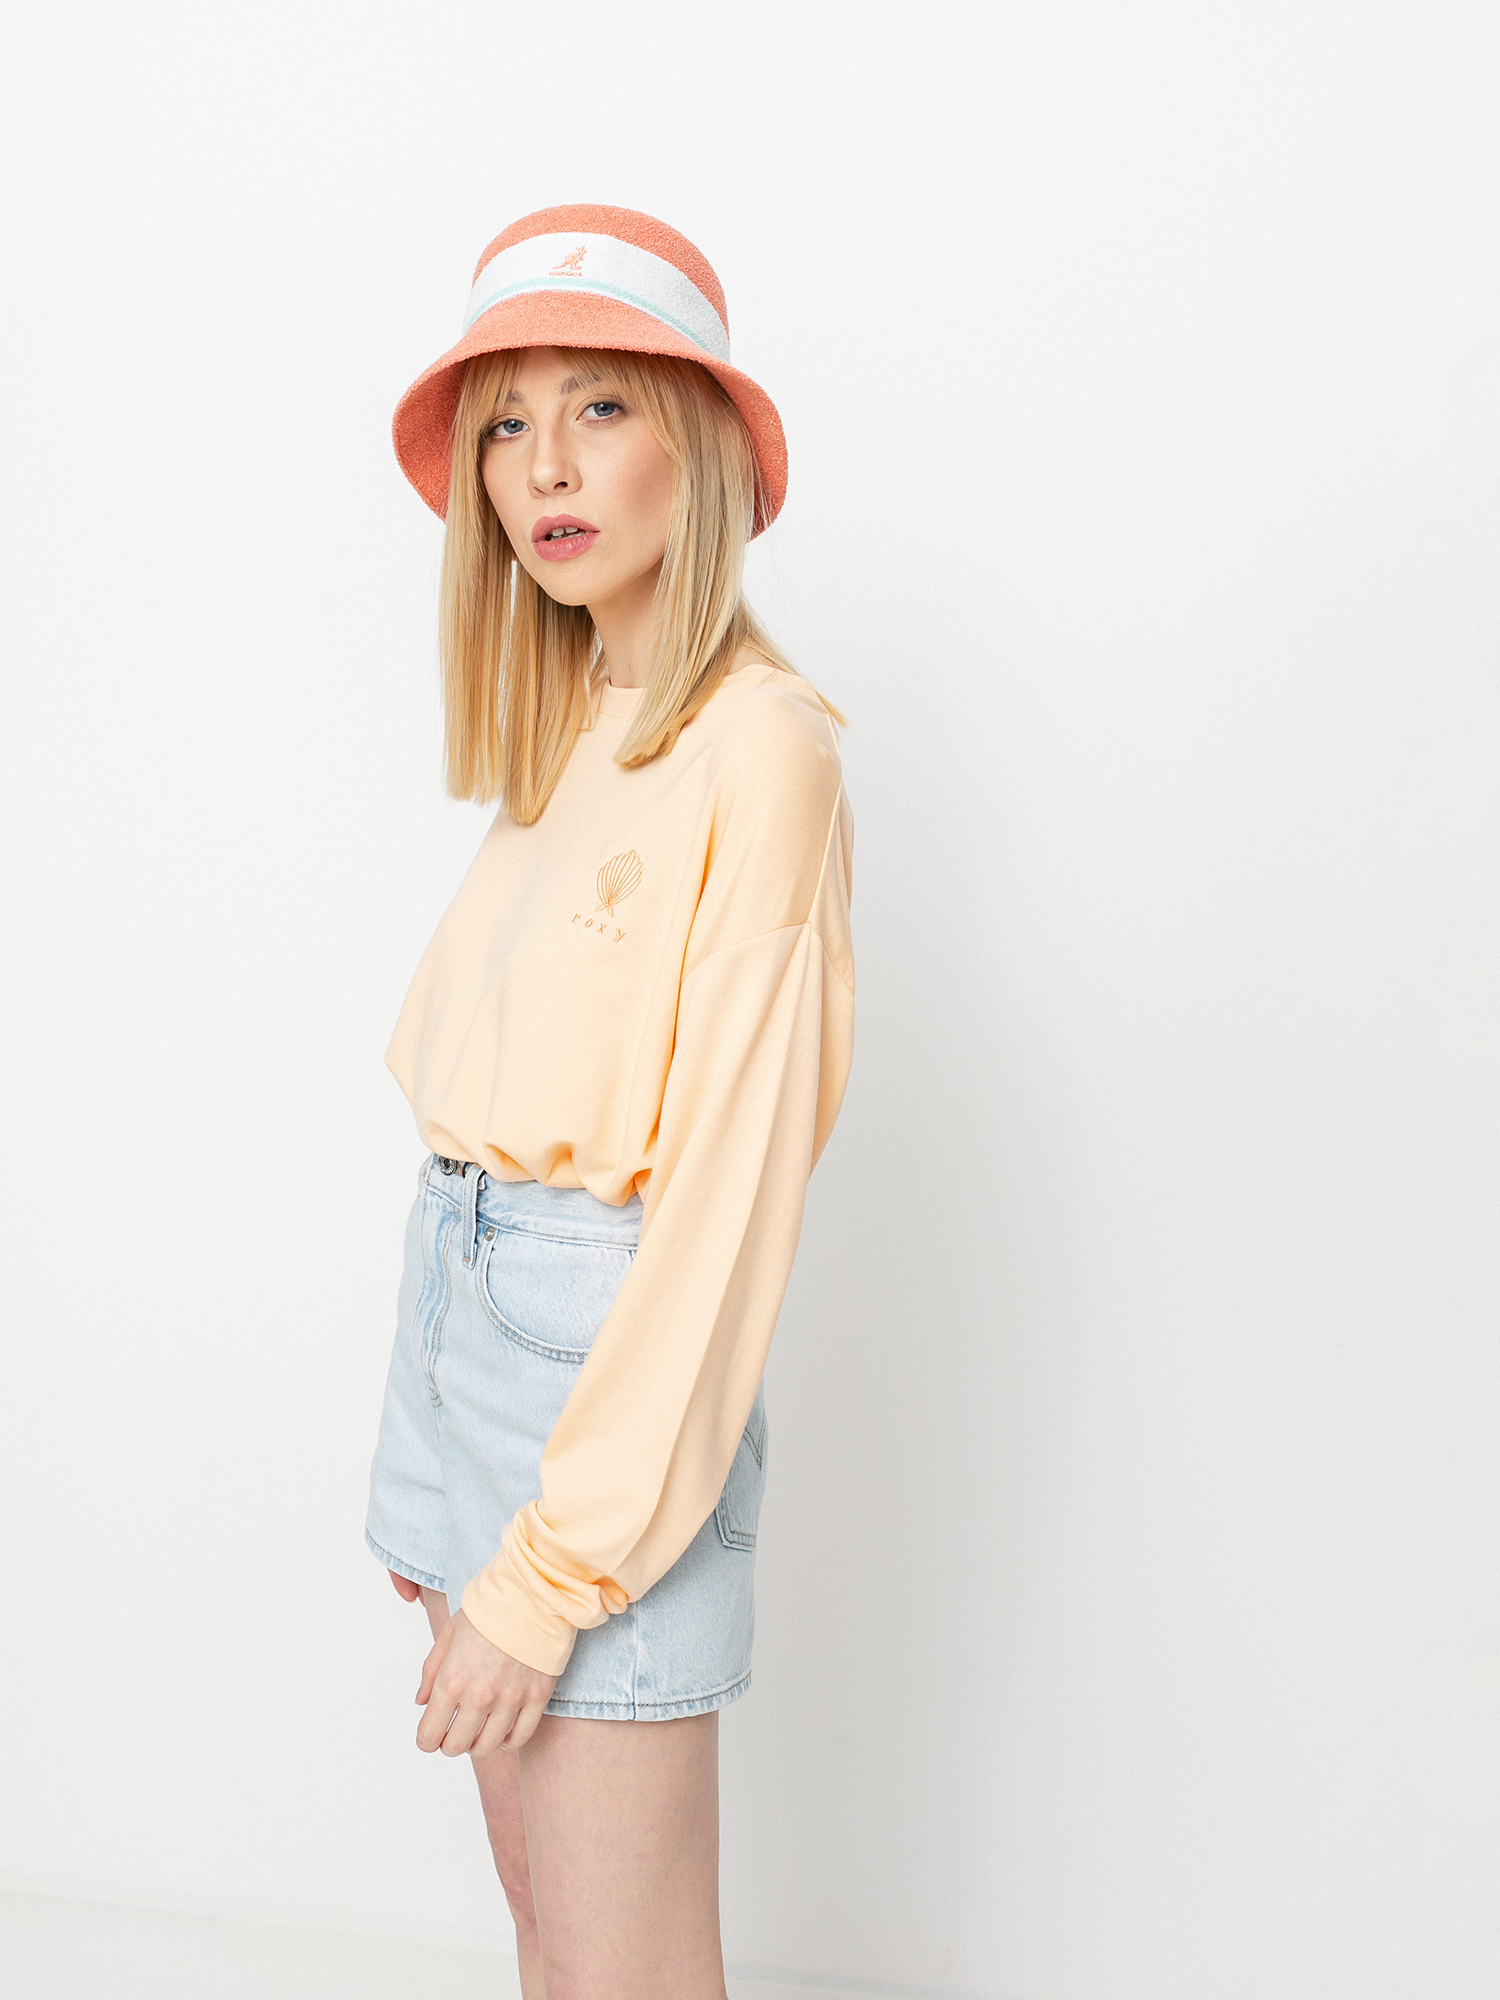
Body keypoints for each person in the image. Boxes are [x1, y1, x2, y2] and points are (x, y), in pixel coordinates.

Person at [364, 204, 855, 1999]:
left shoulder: (765, 750)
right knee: (553, 1934)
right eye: (506, 421)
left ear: (699, 442)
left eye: (600, 406)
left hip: (602, 1382)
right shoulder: (571, 703)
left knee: (625, 1964)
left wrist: (551, 1566)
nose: (544, 467)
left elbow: (720, 1225)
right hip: (461, 1328)